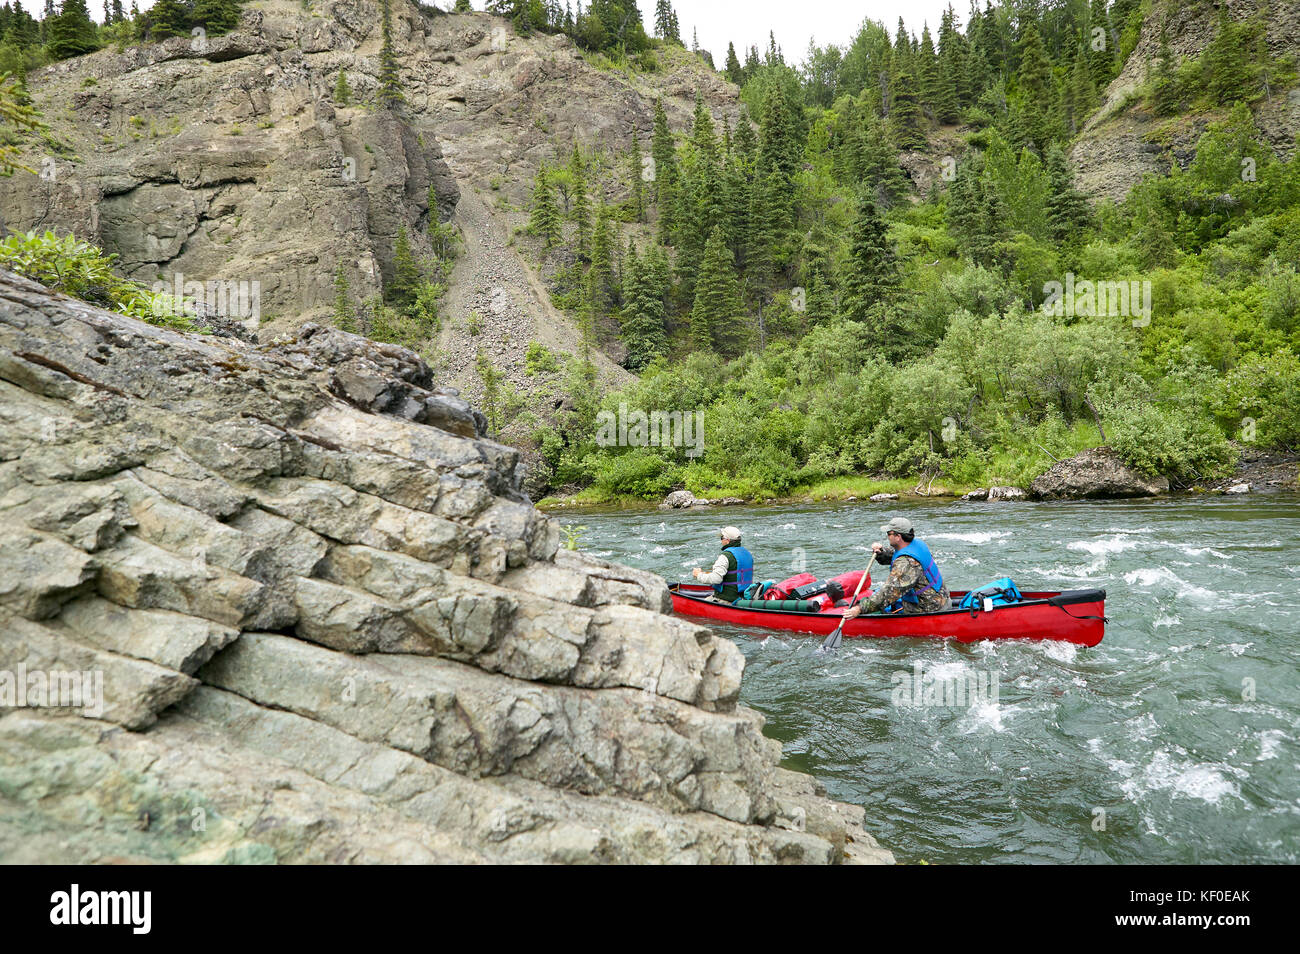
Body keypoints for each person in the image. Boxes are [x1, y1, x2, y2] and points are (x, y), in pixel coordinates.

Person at [842, 516, 950, 617]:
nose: (887, 536)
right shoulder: (917, 544)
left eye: (889, 533)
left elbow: (888, 593)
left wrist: (860, 609)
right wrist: (881, 553)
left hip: (928, 610)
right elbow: (896, 555)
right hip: (942, 599)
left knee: (880, 601)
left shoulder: (906, 563)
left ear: (898, 536)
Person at [691, 526, 754, 602]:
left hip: (727, 600)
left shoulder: (725, 557)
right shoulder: (748, 554)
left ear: (727, 540)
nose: (721, 541)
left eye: (721, 538)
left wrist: (698, 575)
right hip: (744, 598)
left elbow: (716, 579)